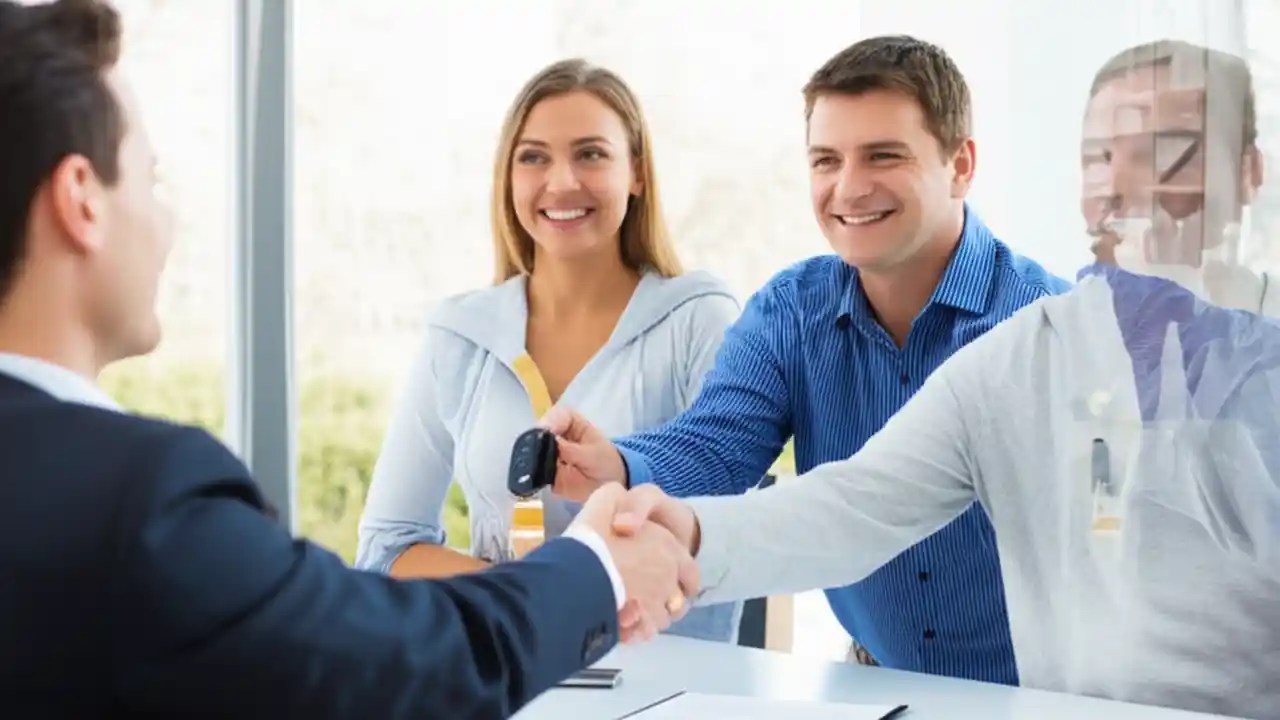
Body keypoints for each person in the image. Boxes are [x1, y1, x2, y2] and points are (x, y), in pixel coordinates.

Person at [0, 2, 694, 717]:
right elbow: (385, 659)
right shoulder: (142, 498)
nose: (167, 219)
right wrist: (596, 569)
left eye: (591, 153)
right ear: (81, 200)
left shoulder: (695, 317)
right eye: (148, 180)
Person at [596, 39, 1280, 719]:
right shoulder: (1018, 361)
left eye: (1170, 150)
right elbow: (851, 508)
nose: (1126, 186)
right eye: (1103, 157)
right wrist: (680, 533)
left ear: (1248, 171)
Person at [543, 35, 1069, 682]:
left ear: (960, 165)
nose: (848, 188)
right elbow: (717, 449)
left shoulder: (1048, 326)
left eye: (883, 155)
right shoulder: (792, 311)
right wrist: (617, 465)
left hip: (1043, 694)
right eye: (825, 160)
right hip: (874, 682)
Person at [355, 59, 743, 643]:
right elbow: (386, 551)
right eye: (533, 157)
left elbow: (721, 539)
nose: (561, 182)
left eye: (590, 153)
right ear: (508, 178)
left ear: (637, 172)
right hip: (507, 671)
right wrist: (532, 603)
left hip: (666, 683)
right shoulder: (459, 335)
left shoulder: (698, 320)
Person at [1082, 39, 1278, 317]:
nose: (1113, 190)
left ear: (1249, 173)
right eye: (1097, 161)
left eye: (1159, 155)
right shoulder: (1031, 347)